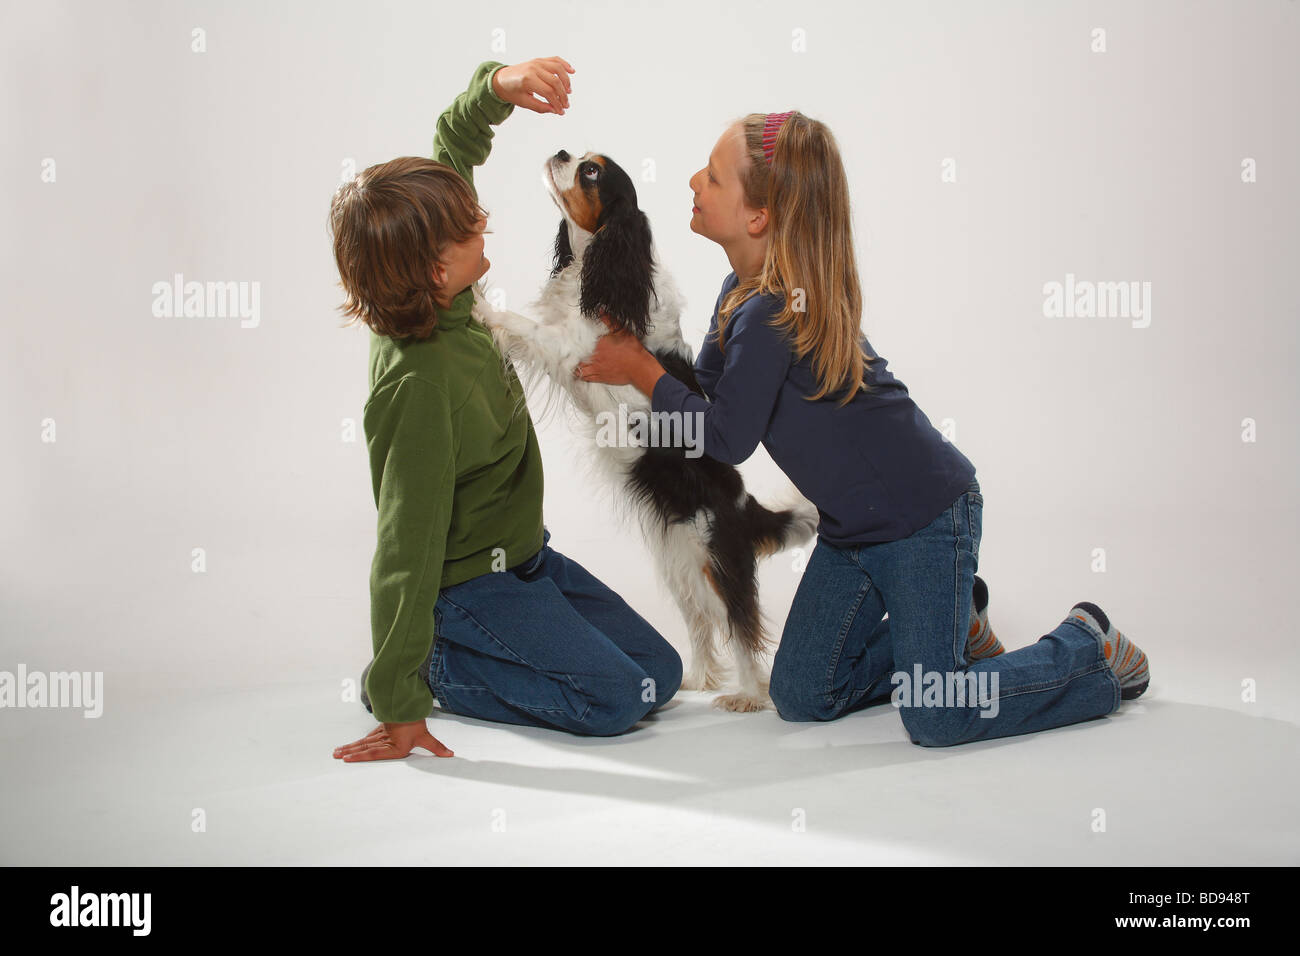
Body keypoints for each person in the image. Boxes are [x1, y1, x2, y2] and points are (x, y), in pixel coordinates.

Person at [575, 110, 1149, 747]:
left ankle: (1084, 647)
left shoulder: (771, 312)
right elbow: (707, 393)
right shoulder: (739, 291)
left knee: (938, 715)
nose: (692, 181)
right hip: (852, 532)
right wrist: (643, 361)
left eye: (711, 177)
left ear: (758, 216)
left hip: (925, 521)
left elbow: (727, 438)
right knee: (800, 697)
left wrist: (645, 370)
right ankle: (953, 631)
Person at [327, 57, 681, 762]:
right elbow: (404, 549)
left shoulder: (447, 296)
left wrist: (495, 91)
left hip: (528, 560)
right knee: (612, 701)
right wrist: (400, 699)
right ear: (434, 268)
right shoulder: (419, 386)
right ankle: (426, 673)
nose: (483, 218)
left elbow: (451, 148)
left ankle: (491, 641)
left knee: (658, 678)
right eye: (469, 225)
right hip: (468, 586)